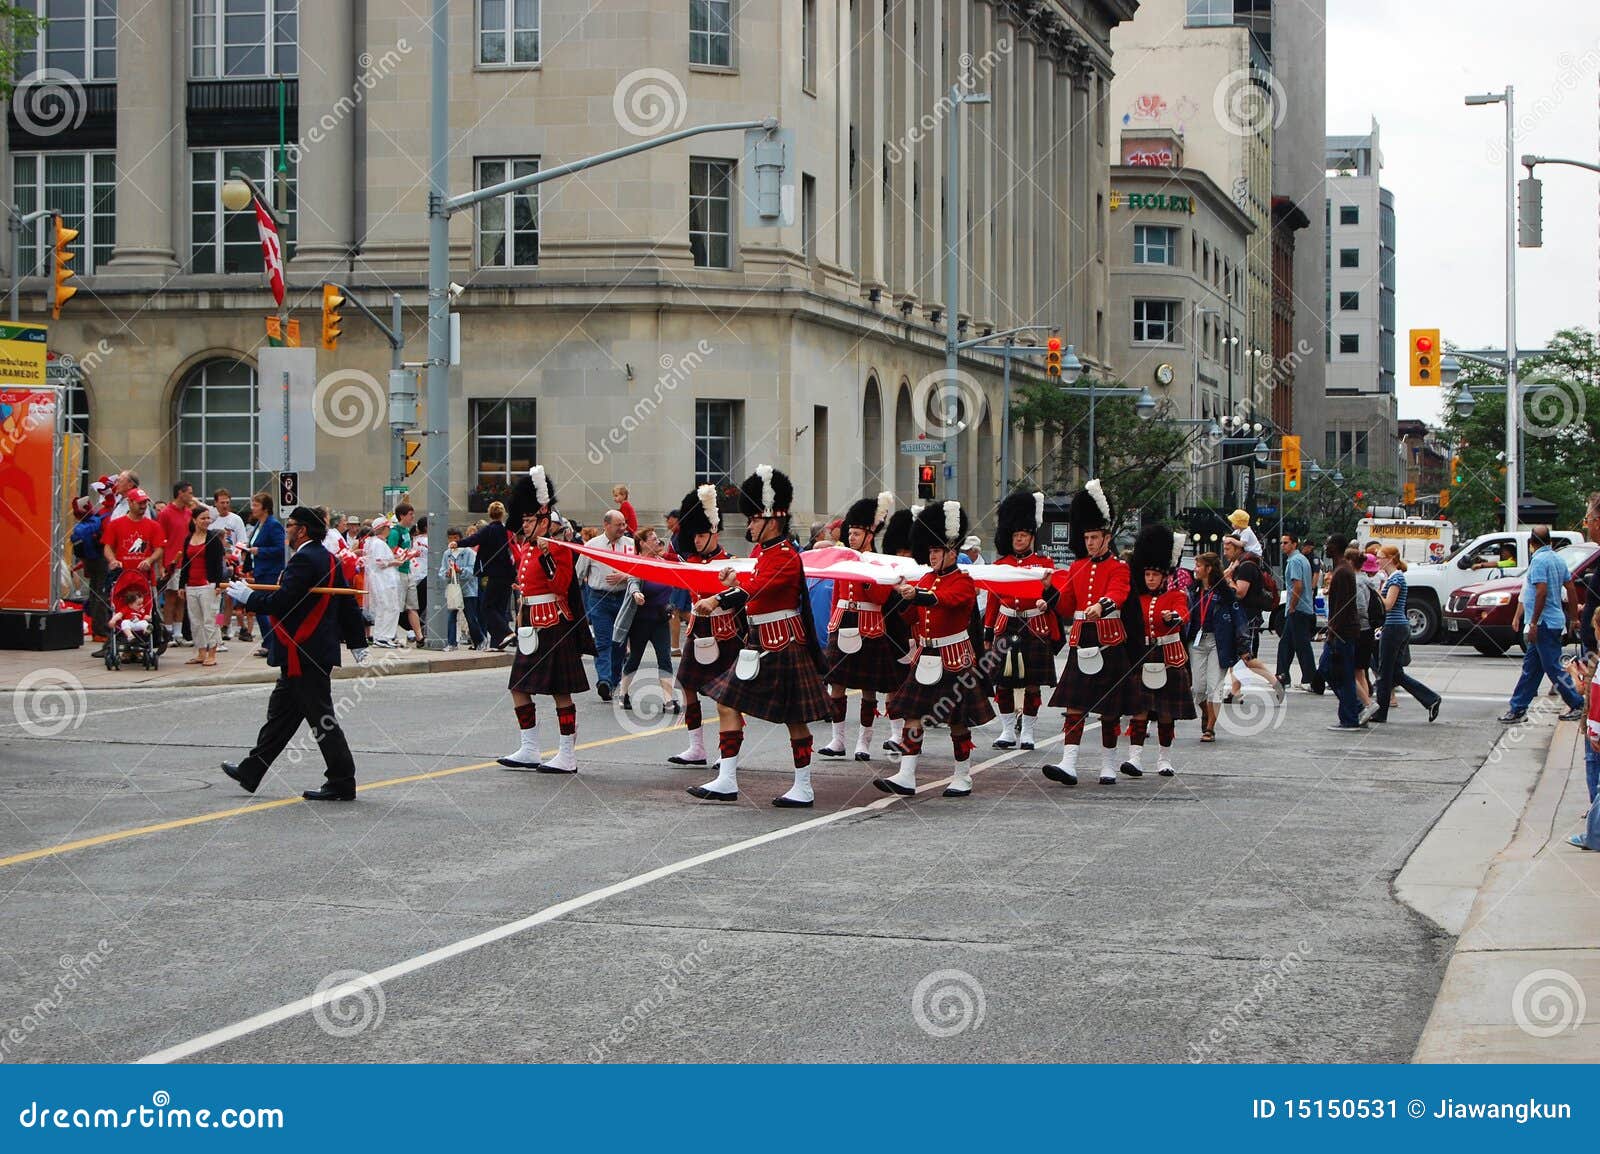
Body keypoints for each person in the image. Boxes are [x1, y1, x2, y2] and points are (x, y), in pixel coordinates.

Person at [689, 466, 833, 808]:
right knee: (726, 704)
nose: (749, 526)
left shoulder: (785, 555)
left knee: (793, 717)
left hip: (782, 644)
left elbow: (758, 589)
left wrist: (718, 598)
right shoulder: (763, 554)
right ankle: (726, 779)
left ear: (771, 520)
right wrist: (731, 580)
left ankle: (803, 786)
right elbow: (754, 583)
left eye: (754, 520)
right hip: (760, 643)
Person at [221, 506, 370, 801]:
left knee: (322, 720)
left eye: (290, 525)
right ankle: (252, 769)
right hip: (307, 651)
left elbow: (284, 601)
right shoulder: (326, 557)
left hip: (304, 651)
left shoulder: (304, 559)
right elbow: (345, 604)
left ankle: (342, 780)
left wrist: (249, 597)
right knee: (281, 716)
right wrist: (356, 641)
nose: (286, 530)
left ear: (301, 529)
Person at [873, 500, 995, 800]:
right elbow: (912, 616)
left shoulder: (964, 581)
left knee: (956, 720)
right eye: (930, 551)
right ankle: (906, 774)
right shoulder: (925, 578)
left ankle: (962, 775)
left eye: (937, 551)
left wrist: (919, 595)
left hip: (953, 657)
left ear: (952, 552)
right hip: (925, 656)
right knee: (912, 714)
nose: (932, 556)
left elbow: (947, 601)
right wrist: (901, 597)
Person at [1041, 480, 1136, 787]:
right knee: (1074, 706)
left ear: (1107, 537)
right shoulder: (1077, 566)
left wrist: (1102, 606)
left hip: (1108, 641)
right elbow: (1067, 603)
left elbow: (1118, 592)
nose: (1091, 542)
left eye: (1095, 537)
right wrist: (1048, 593)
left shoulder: (1120, 567)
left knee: (1109, 709)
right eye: (1087, 537)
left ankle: (1108, 765)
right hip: (1082, 639)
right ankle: (1068, 763)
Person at [499, 466, 593, 773]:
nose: (523, 525)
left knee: (559, 691)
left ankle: (567, 754)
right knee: (518, 686)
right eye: (523, 520)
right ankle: (529, 748)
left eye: (528, 520)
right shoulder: (528, 548)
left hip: (554, 624)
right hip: (531, 624)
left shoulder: (558, 548)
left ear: (543, 518)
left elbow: (560, 586)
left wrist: (549, 553)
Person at [817, 492, 903, 761]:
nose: (851, 537)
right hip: (843, 622)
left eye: (856, 533)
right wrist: (833, 624)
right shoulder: (844, 558)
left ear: (869, 535)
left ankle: (864, 743)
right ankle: (837, 739)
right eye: (850, 532)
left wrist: (867, 576)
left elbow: (879, 598)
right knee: (837, 685)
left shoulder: (879, 562)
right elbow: (836, 595)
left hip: (869, 625)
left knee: (868, 688)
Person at [667, 485, 740, 768]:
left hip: (725, 635)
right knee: (686, 686)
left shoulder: (731, 562)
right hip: (697, 631)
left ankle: (727, 752)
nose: (696, 541)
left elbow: (742, 595)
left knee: (728, 696)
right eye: (693, 535)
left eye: (701, 535)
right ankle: (696, 747)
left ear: (714, 533)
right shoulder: (692, 562)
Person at [985, 491, 1058, 752]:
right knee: (1002, 682)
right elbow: (994, 599)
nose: (1019, 540)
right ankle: (1006, 730)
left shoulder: (1043, 564)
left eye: (1023, 536)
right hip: (1007, 625)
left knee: (1031, 683)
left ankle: (1027, 731)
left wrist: (1046, 600)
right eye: (1015, 536)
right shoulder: (1001, 563)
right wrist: (987, 631)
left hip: (1034, 626)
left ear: (1031, 537)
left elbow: (1054, 594)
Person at [1122, 524, 1193, 776]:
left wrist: (1172, 617)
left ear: (1164, 576)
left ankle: (1164, 759)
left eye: (1155, 575)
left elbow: (1182, 615)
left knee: (1165, 713)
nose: (1150, 579)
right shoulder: (1136, 599)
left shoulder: (1175, 595)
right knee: (1139, 710)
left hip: (1168, 657)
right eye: (1147, 575)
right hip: (1142, 655)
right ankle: (1135, 759)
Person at [1499, 525, 1584, 724]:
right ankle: (1518, 708)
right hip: (1553, 620)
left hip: (1544, 623)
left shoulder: (1538, 560)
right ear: (1551, 542)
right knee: (1532, 668)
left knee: (1552, 666)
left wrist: (1534, 622)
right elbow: (1570, 588)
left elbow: (1541, 591)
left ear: (1531, 543)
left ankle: (1577, 703)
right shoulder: (1557, 559)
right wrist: (1573, 617)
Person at [1370, 545, 1443, 724]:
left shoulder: (1396, 578)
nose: (1377, 560)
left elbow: (1388, 605)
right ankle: (1430, 699)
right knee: (1395, 672)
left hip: (1394, 627)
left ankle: (1381, 712)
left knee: (1384, 672)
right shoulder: (1392, 578)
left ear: (1390, 558)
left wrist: (1374, 593)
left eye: (1379, 557)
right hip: (1396, 626)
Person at [615, 526, 679, 712]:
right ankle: (623, 694)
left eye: (657, 538)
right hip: (641, 621)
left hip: (660, 621)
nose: (657, 541)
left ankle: (668, 701)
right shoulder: (638, 564)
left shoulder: (663, 562)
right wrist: (636, 594)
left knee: (664, 659)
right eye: (652, 539)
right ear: (642, 544)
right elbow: (633, 581)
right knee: (634, 658)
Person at [97, 487, 165, 659]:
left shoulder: (153, 526)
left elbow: (159, 549)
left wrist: (149, 560)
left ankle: (143, 647)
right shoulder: (116, 524)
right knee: (120, 609)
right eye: (140, 503)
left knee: (144, 611)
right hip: (122, 577)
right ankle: (126, 648)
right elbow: (107, 547)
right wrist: (113, 561)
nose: (143, 506)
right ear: (130, 502)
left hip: (144, 578)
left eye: (145, 503)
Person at [576, 510, 636, 700]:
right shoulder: (592, 546)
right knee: (603, 642)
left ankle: (614, 679)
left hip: (624, 598)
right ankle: (604, 680)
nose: (623, 528)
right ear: (606, 525)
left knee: (619, 643)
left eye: (624, 524)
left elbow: (640, 571)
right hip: (599, 599)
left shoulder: (630, 545)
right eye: (618, 524)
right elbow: (578, 575)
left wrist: (625, 576)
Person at [1221, 535, 1284, 704]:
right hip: (1243, 617)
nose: (1225, 552)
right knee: (1239, 655)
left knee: (1246, 656)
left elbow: (1240, 593)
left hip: (1246, 618)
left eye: (1228, 549)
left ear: (1237, 548)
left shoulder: (1246, 567)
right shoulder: (1240, 565)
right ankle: (1236, 692)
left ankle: (1275, 682)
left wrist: (1227, 580)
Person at [878, 506, 920, 754]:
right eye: (900, 551)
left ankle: (912, 734)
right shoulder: (888, 570)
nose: (904, 555)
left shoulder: (923, 572)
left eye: (908, 551)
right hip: (893, 632)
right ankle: (896, 734)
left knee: (915, 689)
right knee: (893, 685)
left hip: (917, 634)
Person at [1187, 552, 1236, 743]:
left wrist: (1242, 646)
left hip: (1218, 642)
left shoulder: (1224, 593)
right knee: (1198, 688)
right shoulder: (1192, 592)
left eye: (1199, 566)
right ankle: (1207, 712)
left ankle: (1210, 729)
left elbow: (1238, 619)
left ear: (1209, 569)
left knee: (1214, 686)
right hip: (1196, 642)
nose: (1195, 569)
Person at [178, 504, 229, 667]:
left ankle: (212, 651)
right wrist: (181, 585)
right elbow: (185, 563)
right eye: (203, 518)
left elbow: (219, 564)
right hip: (191, 584)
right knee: (195, 621)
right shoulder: (188, 539)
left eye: (208, 518)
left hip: (208, 584)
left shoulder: (213, 539)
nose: (207, 521)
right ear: (194, 520)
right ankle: (201, 651)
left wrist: (219, 584)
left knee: (210, 620)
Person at [460, 501, 515, 650]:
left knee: (487, 607)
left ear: (490, 514)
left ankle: (506, 632)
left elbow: (473, 540)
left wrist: (457, 543)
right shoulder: (507, 530)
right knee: (500, 608)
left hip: (494, 574)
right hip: (509, 574)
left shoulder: (488, 530)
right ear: (503, 514)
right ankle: (497, 643)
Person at [1322, 547, 1365, 730]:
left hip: (1341, 633)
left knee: (1338, 673)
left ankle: (1350, 716)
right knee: (1334, 672)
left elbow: (1342, 606)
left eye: (1330, 544)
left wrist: (1332, 631)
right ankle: (1355, 709)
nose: (1326, 547)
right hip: (1343, 631)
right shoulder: (1344, 570)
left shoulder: (1342, 572)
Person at [1276, 530, 1320, 692]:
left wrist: (1292, 606)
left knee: (1302, 646)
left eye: (1286, 542)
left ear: (1295, 544)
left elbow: (1298, 585)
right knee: (1286, 644)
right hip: (1304, 608)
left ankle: (1311, 679)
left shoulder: (1294, 561)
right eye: (1281, 542)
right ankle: (1282, 676)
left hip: (1298, 609)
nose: (1282, 545)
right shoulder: (1302, 559)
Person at [157, 482, 198, 643]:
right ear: (180, 493)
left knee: (182, 596)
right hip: (172, 562)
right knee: (171, 597)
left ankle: (178, 632)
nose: (192, 496)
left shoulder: (189, 513)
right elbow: (161, 540)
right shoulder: (166, 513)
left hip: (187, 561)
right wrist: (162, 565)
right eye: (189, 493)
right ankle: (167, 631)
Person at [247, 493, 285, 657]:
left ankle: (272, 644)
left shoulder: (273, 525)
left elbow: (281, 548)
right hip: (260, 571)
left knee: (265, 608)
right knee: (260, 608)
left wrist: (260, 551)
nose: (252, 508)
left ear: (265, 507)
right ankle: (268, 642)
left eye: (256, 505)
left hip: (270, 572)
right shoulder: (259, 524)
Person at [210, 489, 251, 642]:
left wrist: (236, 558)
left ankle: (224, 625)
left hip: (231, 561)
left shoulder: (236, 520)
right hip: (215, 562)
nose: (225, 505)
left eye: (227, 502)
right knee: (217, 598)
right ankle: (217, 625)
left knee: (228, 596)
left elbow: (242, 541)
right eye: (222, 502)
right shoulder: (212, 520)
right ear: (216, 503)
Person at [439, 528, 483, 651]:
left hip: (468, 590)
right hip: (453, 590)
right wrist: (446, 574)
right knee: (451, 616)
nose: (453, 541)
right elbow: (441, 571)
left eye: (455, 538)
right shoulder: (447, 553)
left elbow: (473, 571)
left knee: (470, 617)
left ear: (460, 539)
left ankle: (479, 640)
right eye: (450, 538)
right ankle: (452, 643)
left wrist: (461, 571)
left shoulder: (469, 553)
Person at [363, 515, 404, 647]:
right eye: (388, 528)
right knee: (390, 607)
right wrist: (395, 562)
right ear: (384, 529)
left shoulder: (377, 543)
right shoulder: (378, 543)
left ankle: (381, 636)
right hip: (384, 581)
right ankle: (384, 636)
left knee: (385, 608)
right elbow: (380, 562)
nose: (390, 530)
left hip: (383, 580)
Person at [387, 504, 423, 645]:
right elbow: (391, 551)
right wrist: (407, 555)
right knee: (397, 606)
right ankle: (392, 635)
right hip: (399, 572)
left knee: (412, 606)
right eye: (410, 514)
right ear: (402, 516)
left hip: (408, 571)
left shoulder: (407, 531)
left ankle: (419, 637)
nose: (412, 517)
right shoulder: (395, 532)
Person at [411, 516, 430, 628]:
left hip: (416, 574)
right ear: (427, 527)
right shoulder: (428, 541)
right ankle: (425, 630)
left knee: (418, 605)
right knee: (425, 606)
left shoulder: (415, 540)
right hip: (425, 575)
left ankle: (418, 630)